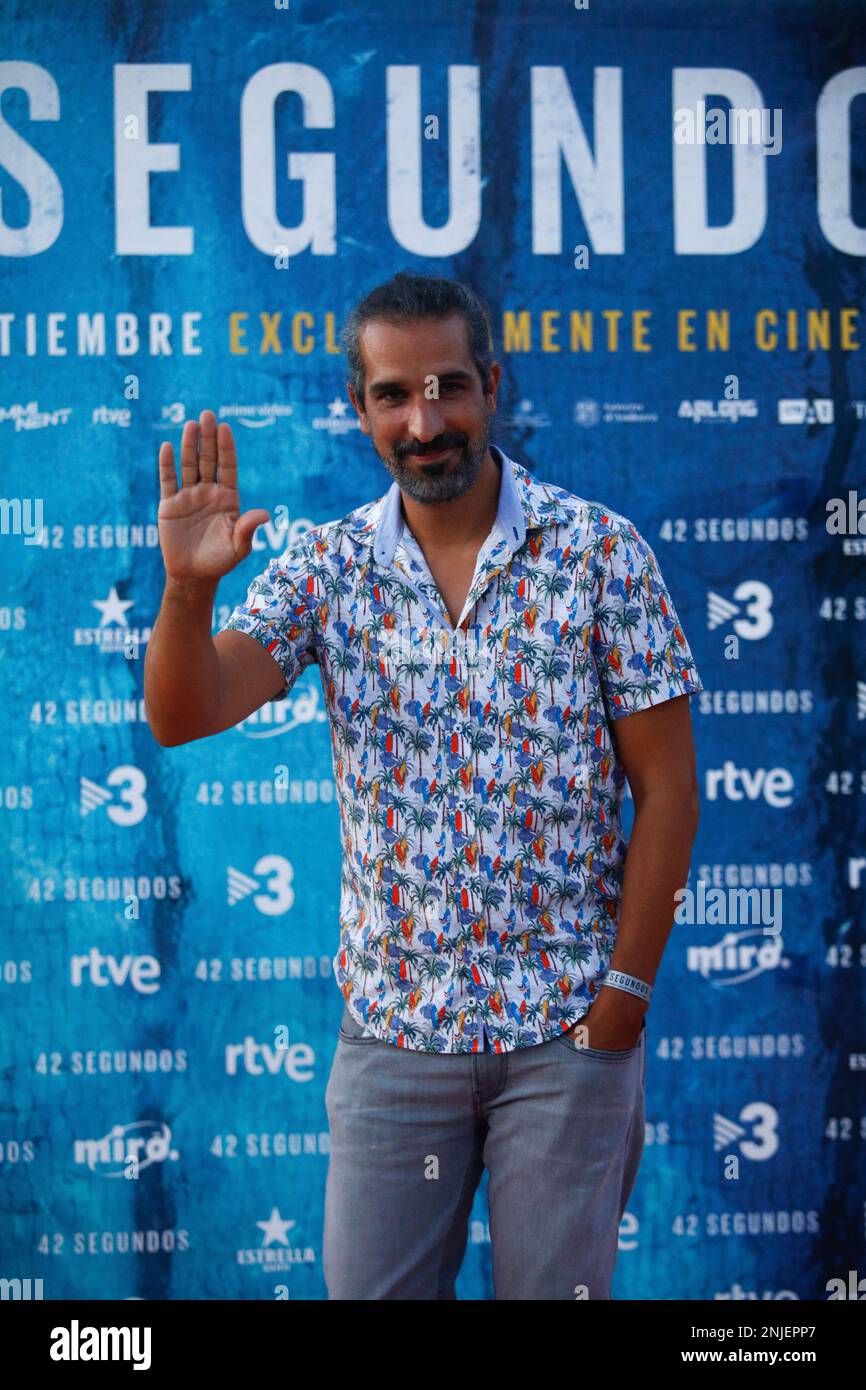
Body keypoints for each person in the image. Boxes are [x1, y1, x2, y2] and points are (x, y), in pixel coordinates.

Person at [144, 271, 703, 1300]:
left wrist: (620, 998)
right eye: (394, 394)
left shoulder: (597, 554)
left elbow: (667, 791)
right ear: (359, 410)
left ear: (491, 385)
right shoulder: (326, 567)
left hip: (565, 1040)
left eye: (448, 386)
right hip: (395, 1044)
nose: (426, 419)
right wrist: (186, 590)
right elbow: (186, 712)